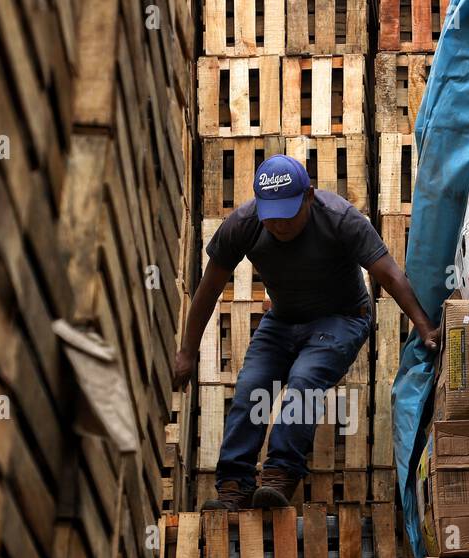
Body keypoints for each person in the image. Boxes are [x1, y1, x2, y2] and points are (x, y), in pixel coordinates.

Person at [173, 154, 440, 510]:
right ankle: (234, 485)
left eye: (288, 215)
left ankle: (281, 473)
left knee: (305, 379)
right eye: (272, 218)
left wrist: (424, 327)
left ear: (309, 196)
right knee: (252, 386)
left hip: (342, 317)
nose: (279, 225)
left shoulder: (340, 218)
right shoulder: (244, 223)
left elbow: (389, 274)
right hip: (283, 320)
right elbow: (208, 288)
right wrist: (187, 352)